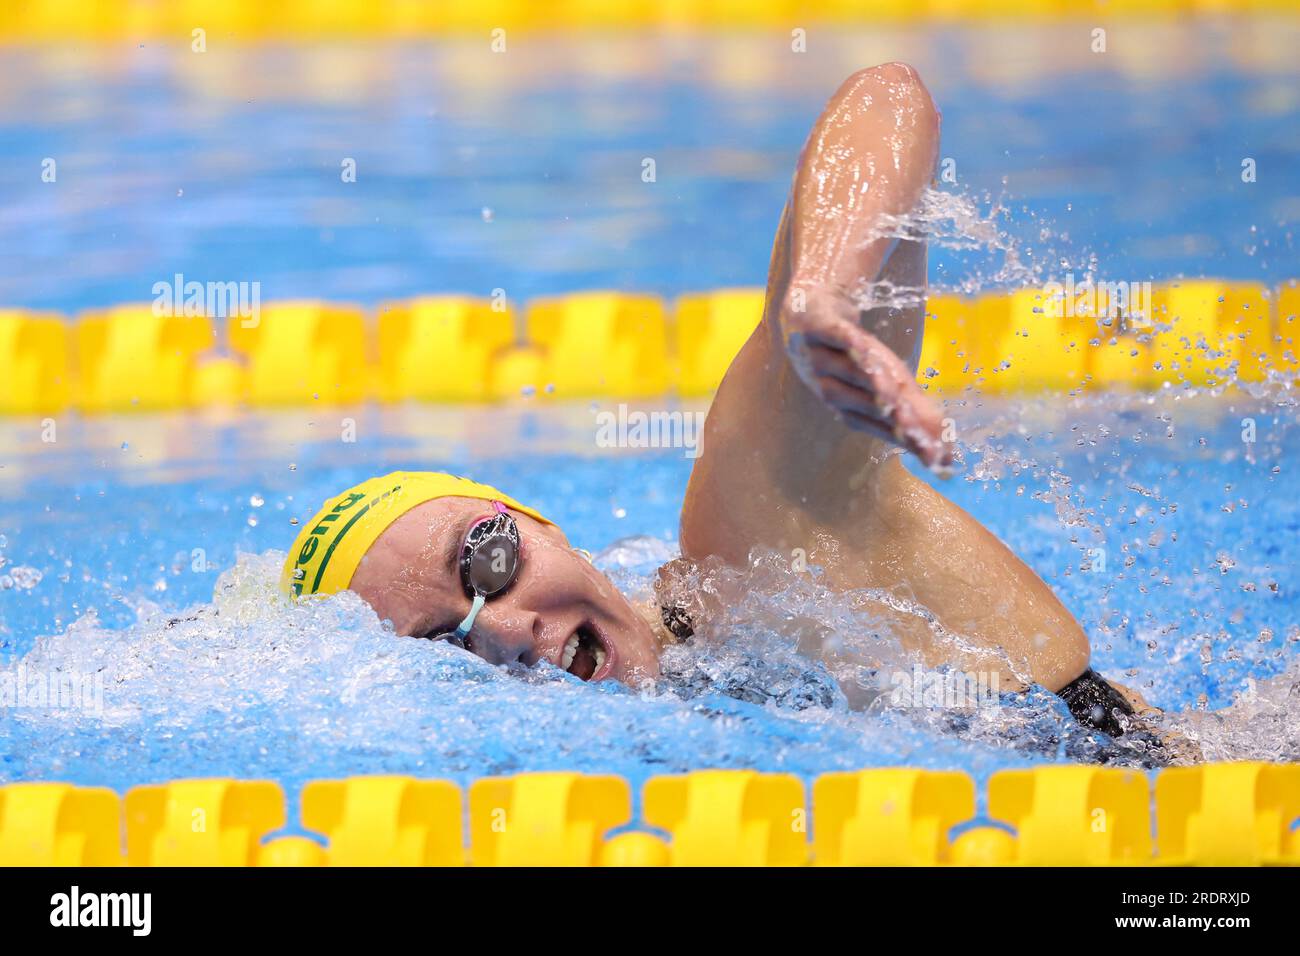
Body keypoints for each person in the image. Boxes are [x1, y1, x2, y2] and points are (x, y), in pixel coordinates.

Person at [283, 63, 1146, 740]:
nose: (502, 634)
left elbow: (889, 98)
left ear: (539, 523)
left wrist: (822, 293)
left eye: (486, 564)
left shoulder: (757, 556)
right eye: (444, 647)